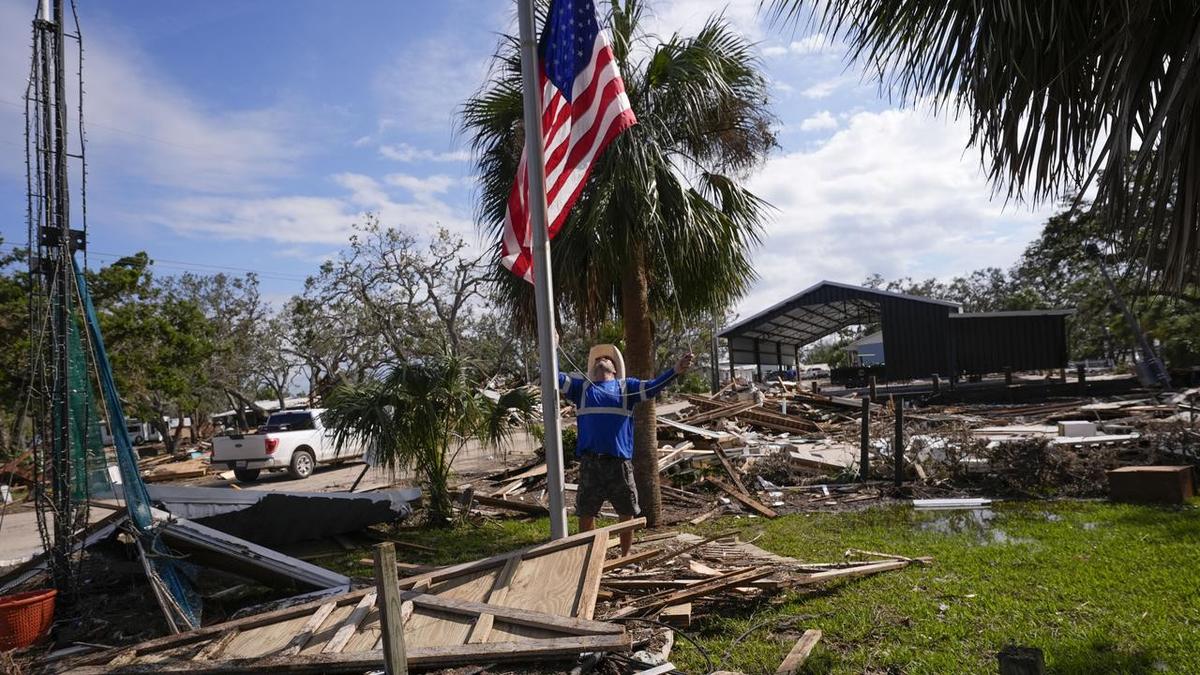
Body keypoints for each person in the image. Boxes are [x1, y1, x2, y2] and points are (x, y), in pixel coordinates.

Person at [558, 345, 694, 555]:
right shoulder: (581, 388)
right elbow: (553, 376)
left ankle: (625, 556)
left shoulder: (626, 387)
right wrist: (552, 343)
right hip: (590, 463)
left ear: (615, 369)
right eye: (597, 359)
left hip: (618, 463)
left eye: (606, 359)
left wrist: (675, 370)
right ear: (592, 368)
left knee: (626, 511)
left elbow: (652, 387)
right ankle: (589, 556)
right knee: (586, 512)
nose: (601, 360)